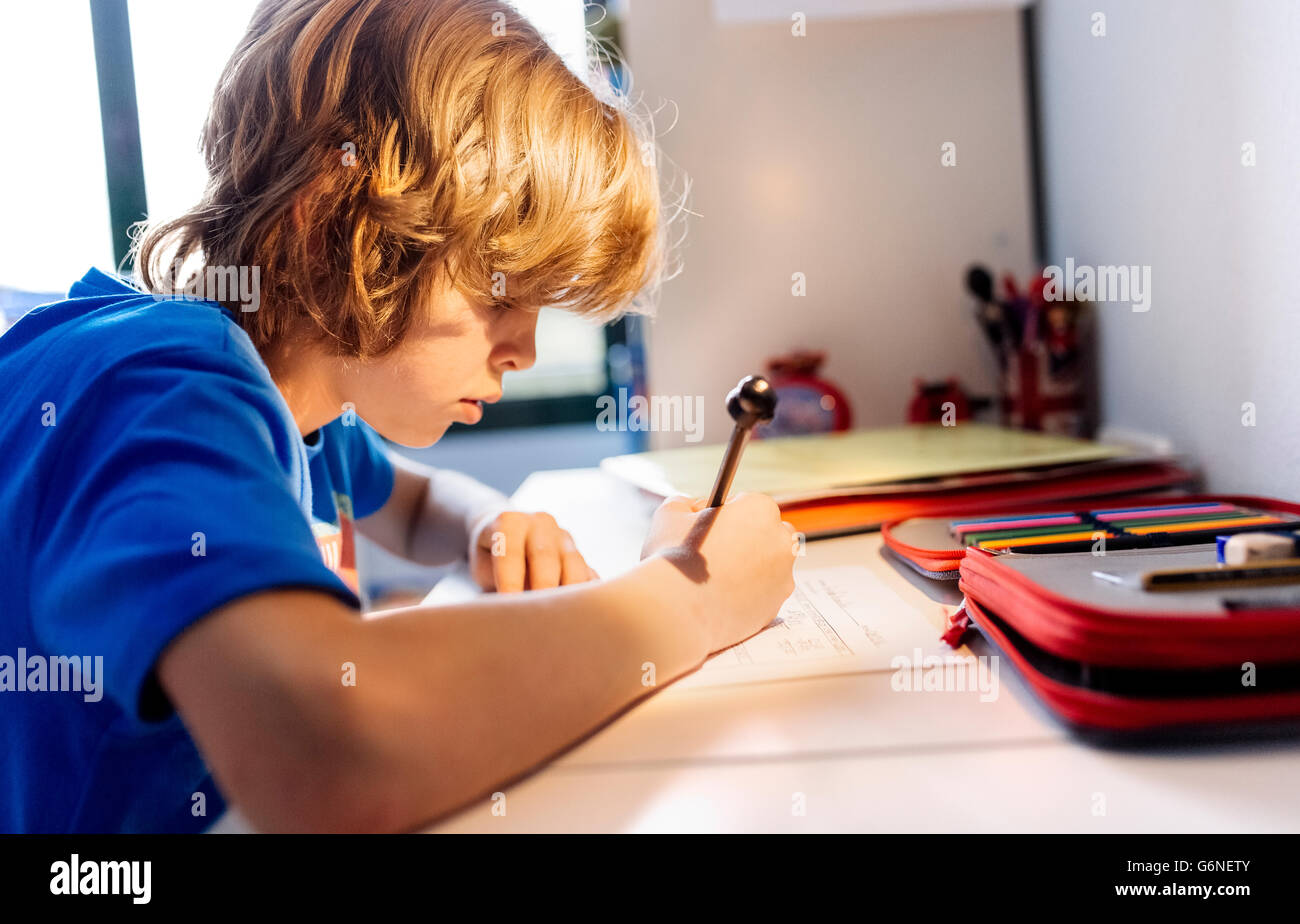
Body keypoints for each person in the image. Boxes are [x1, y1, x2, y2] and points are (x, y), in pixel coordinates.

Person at [0, 0, 796, 833]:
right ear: (335, 221)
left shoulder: (299, 404)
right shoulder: (161, 393)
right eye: (499, 295)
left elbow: (413, 504)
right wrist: (688, 601)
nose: (522, 353)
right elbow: (326, 753)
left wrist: (488, 525)